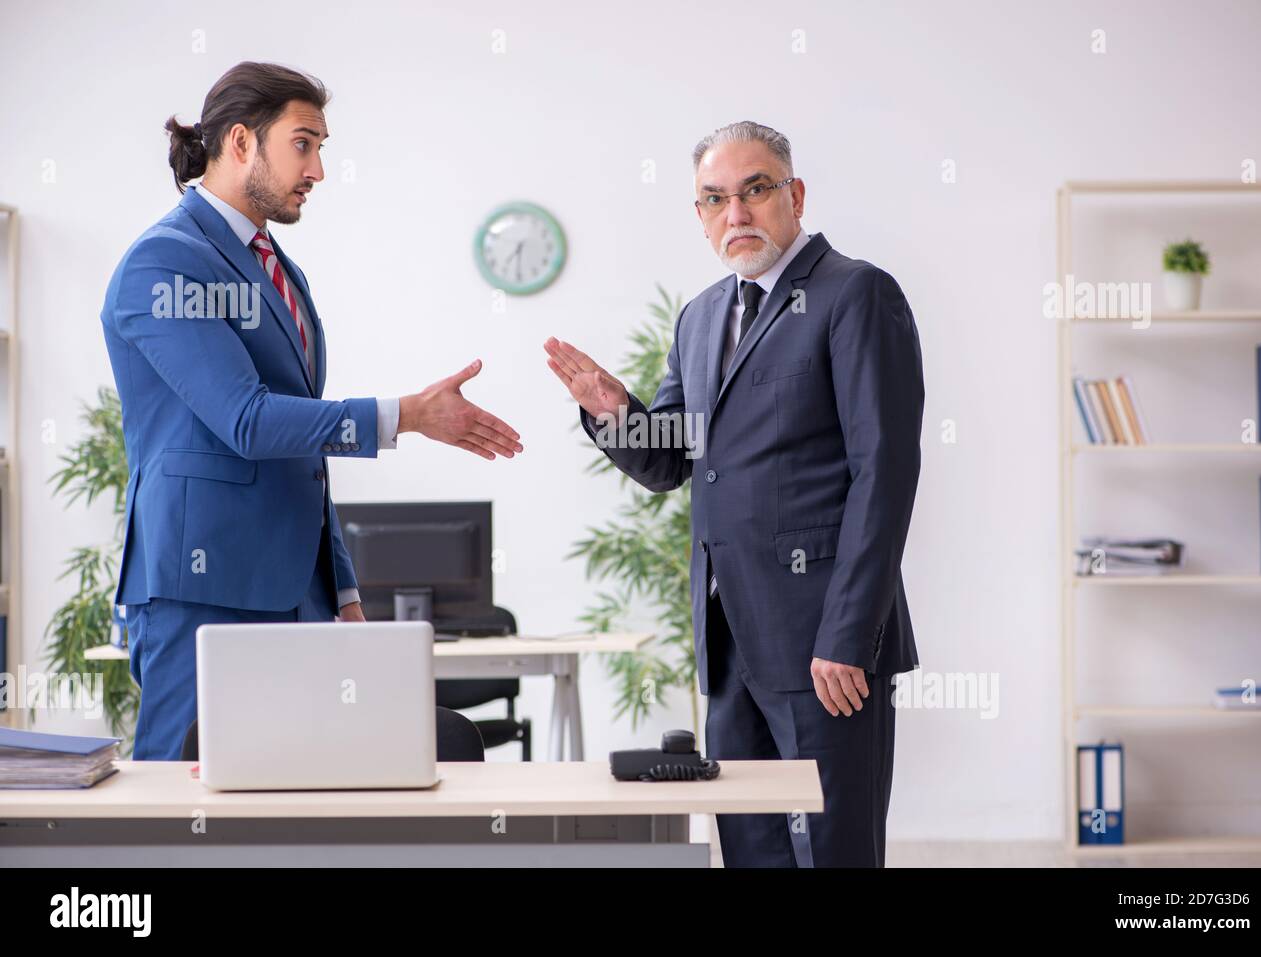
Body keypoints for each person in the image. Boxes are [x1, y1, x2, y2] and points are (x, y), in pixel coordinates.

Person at [101, 61, 522, 760]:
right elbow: (248, 420)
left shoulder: (281, 271)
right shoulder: (164, 263)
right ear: (240, 142)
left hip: (296, 590)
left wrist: (340, 583)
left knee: (296, 799)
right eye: (305, 143)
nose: (320, 169)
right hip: (204, 590)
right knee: (182, 809)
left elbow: (303, 456)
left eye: (322, 147)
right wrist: (405, 415)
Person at [544, 121, 923, 866]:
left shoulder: (855, 294)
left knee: (832, 852)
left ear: (796, 194)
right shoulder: (701, 316)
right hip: (729, 646)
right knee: (750, 851)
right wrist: (611, 409)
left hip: (825, 652)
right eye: (715, 199)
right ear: (699, 214)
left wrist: (847, 637)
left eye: (755, 190)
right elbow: (676, 460)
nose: (737, 214)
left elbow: (885, 473)